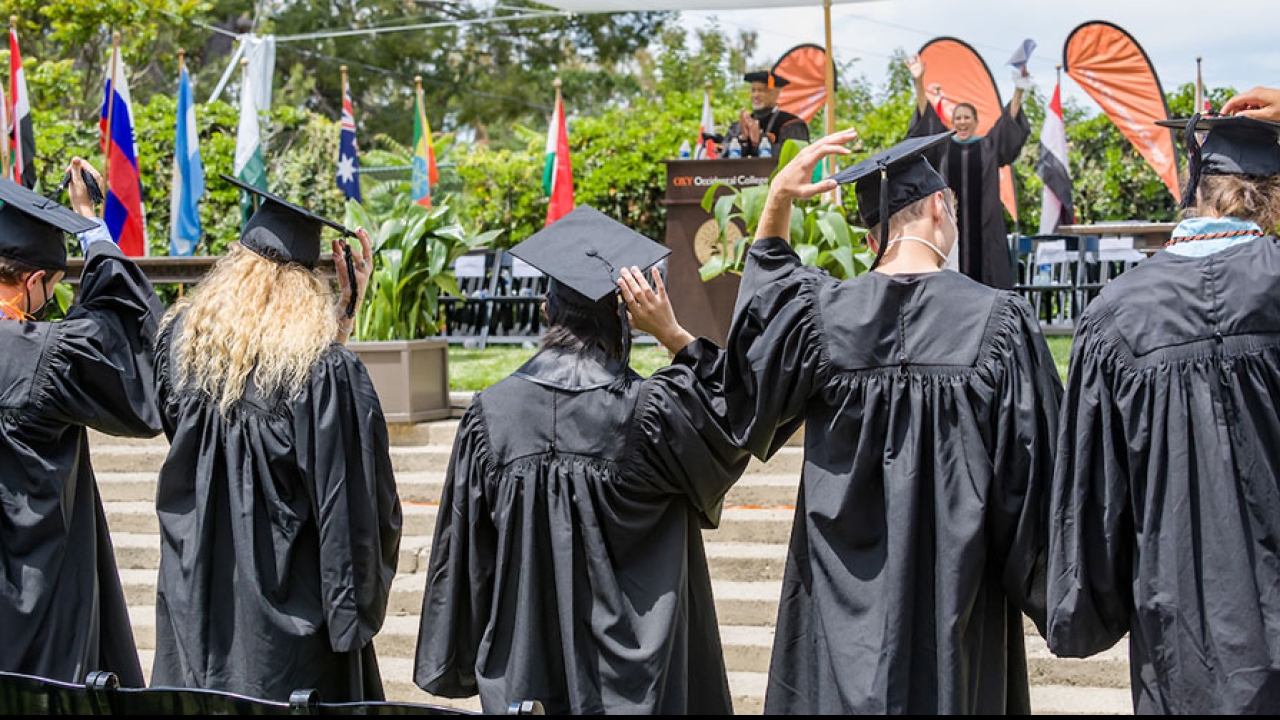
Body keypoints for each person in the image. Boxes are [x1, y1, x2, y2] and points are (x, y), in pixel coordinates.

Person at [721, 129, 1063, 713]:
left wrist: (776, 203)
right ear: (938, 207)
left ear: (872, 233)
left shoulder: (818, 317)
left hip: (837, 605)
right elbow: (1037, 476)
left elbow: (744, 379)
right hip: (959, 598)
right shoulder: (999, 324)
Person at [413, 205, 750, 714]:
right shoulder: (653, 411)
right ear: (625, 315)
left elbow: (464, 555)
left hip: (526, 678)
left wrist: (459, 655)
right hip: (639, 687)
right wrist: (674, 336)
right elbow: (735, 423)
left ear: (547, 313)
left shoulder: (491, 415)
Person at [1047, 115, 1280, 713]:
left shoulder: (1116, 314)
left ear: (1195, 189)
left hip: (1178, 625)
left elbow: (1095, 494)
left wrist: (1088, 602)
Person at [149, 176, 402, 702]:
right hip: (291, 633)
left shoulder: (181, 351)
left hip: (195, 603)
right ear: (310, 287)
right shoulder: (325, 373)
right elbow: (353, 508)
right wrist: (351, 617)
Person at [0, 159, 162, 686]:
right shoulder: (41, 356)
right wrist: (93, 230)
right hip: (37, 606)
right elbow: (127, 357)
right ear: (33, 280)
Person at [906, 54, 1031, 289]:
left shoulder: (989, 145)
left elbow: (1008, 122)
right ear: (953, 123)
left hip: (985, 227)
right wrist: (919, 83)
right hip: (949, 226)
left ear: (975, 122)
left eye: (967, 118)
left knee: (988, 280)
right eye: (958, 118)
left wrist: (1019, 90)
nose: (962, 122)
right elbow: (927, 120)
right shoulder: (943, 146)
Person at [722, 70, 810, 157]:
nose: (755, 95)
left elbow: (796, 155)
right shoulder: (740, 126)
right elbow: (721, 153)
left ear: (776, 94)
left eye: (761, 90)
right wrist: (742, 140)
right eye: (753, 91)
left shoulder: (791, 124)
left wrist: (759, 141)